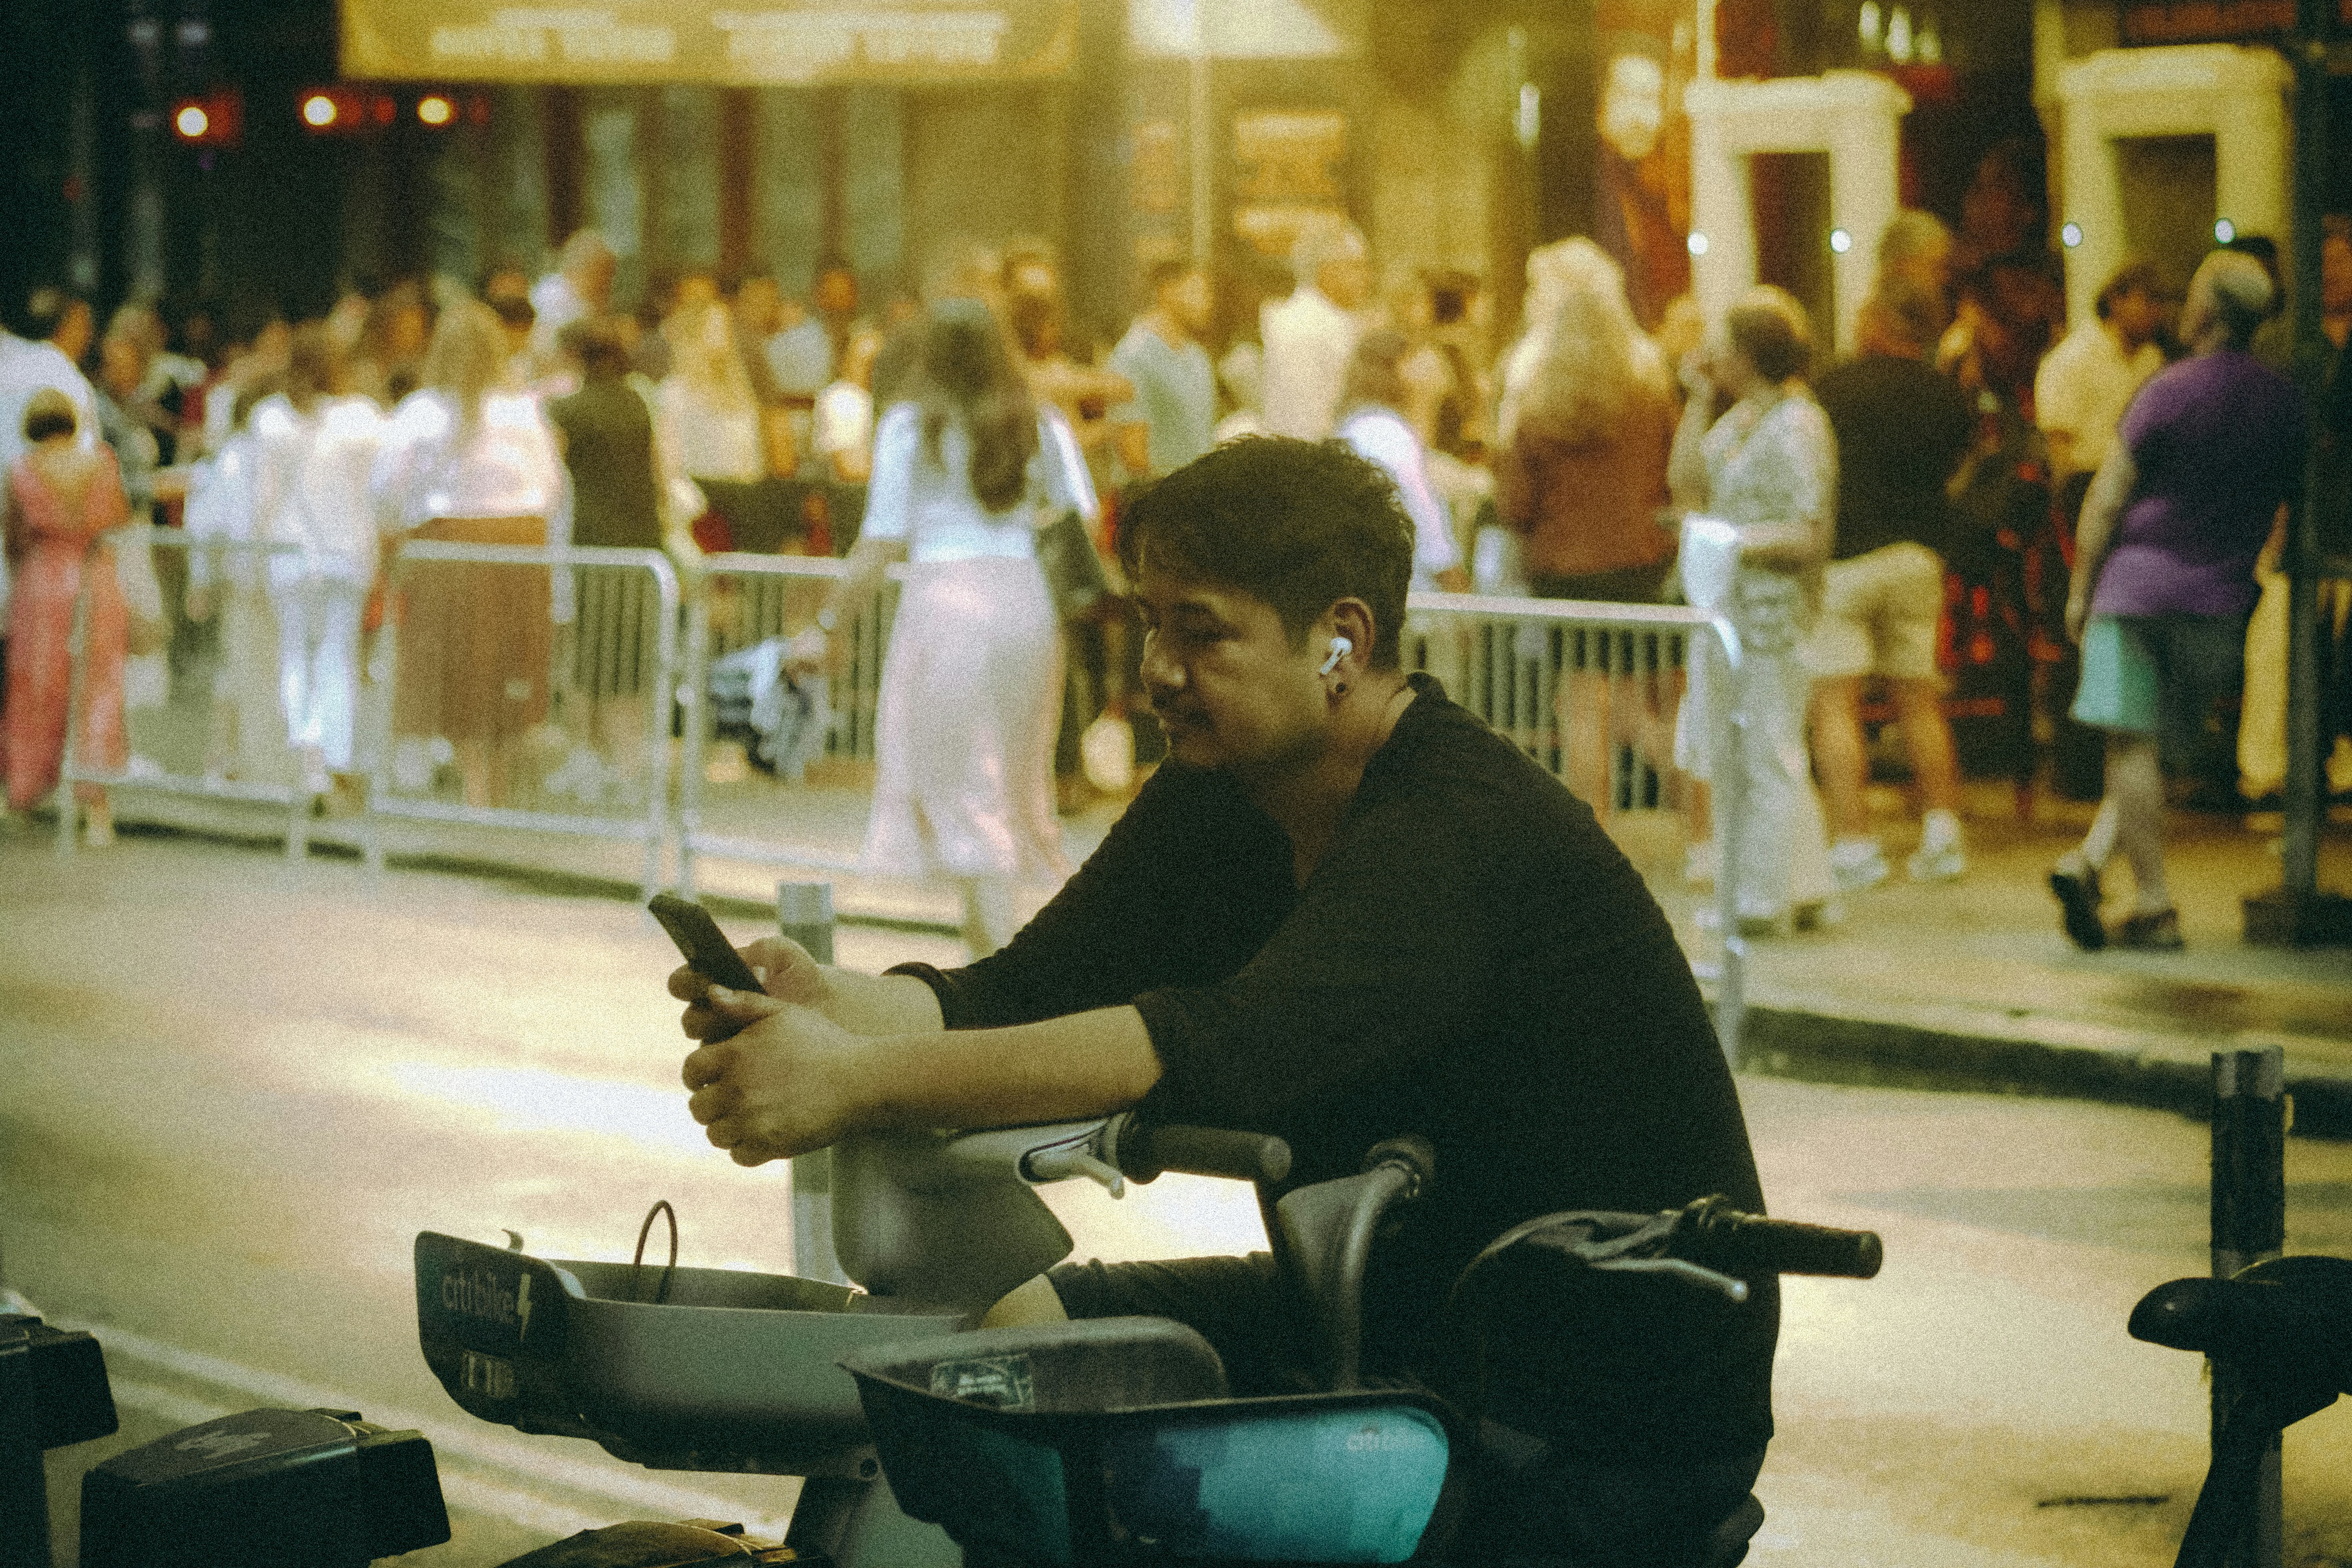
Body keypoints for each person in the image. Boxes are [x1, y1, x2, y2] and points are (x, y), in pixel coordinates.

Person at [671, 435, 1778, 1566]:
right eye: (1151, 624)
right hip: (1391, 1317)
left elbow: (1208, 1049)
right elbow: (1020, 992)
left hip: (1595, 1411)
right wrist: (833, 1005)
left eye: (1202, 631)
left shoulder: (1454, 829)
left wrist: (849, 1084)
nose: (1158, 667)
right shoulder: (1227, 786)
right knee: (997, 1336)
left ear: (1340, 639)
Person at [806, 300, 1094, 955]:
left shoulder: (912, 428)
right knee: (1016, 782)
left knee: (963, 789)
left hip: (944, 602)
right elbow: (1076, 509)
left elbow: (880, 539)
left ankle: (1000, 971)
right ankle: (986, 958)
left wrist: (829, 624)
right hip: (1027, 604)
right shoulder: (1041, 424)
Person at [2050, 252, 2305, 952]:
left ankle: (2156, 906)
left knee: (2130, 747)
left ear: (2208, 312)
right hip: (2219, 601)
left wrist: (2080, 591)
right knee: (2159, 753)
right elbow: (2293, 503)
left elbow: (2106, 499)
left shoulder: (2166, 390)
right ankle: (2088, 864)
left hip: (2135, 589)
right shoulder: (2284, 402)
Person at [1668, 287, 1840, 933]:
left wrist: (1733, 543)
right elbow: (1686, 481)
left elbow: (1808, 529)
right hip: (1733, 611)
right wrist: (1695, 399)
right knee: (1758, 747)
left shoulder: (1797, 426)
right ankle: (1805, 883)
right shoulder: (1742, 421)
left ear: (1747, 354)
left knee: (1764, 751)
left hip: (1770, 614)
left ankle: (1762, 896)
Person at [1494, 244, 1680, 815]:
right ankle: (1701, 829)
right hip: (1639, 563)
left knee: (1581, 710)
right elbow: (1669, 478)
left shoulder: (1537, 407)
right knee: (1637, 709)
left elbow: (1516, 505)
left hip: (1565, 572)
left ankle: (1594, 833)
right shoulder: (1650, 398)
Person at [1808, 281, 1978, 889]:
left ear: (1878, 321)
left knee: (1835, 702)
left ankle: (1854, 845)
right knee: (1919, 699)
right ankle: (1943, 835)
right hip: (1917, 557)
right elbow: (1958, 469)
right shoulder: (1948, 397)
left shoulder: (1833, 389)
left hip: (1846, 560)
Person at [371, 299, 566, 808]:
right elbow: (549, 485)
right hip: (518, 543)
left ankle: (475, 780)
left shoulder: (422, 411)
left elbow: (386, 484)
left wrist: (405, 521)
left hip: (448, 545)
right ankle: (493, 783)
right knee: (509, 664)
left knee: (455, 667)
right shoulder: (521, 409)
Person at [254, 325, 387, 802]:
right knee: (338, 656)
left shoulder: (270, 419)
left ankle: (304, 759)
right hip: (347, 552)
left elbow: (263, 499)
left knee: (295, 652)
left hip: (290, 553)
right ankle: (335, 759)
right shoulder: (363, 420)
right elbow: (379, 488)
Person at [548, 318, 674, 786]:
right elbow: (659, 475)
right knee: (628, 657)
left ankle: (589, 755)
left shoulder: (566, 410)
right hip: (642, 543)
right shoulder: (639, 403)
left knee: (589, 656)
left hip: (592, 542)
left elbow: (548, 479)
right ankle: (627, 763)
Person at [3, 390, 131, 842]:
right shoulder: (102, 461)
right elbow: (117, 516)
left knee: (37, 686)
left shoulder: (21, 471)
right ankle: (96, 808)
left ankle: (26, 790)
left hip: (41, 585)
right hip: (94, 578)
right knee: (97, 690)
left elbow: (15, 537)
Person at [1333, 330, 1467, 592]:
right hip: (1410, 598)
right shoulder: (1389, 435)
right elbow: (1427, 527)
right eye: (1416, 357)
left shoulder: (1358, 426)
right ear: (1396, 369)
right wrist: (1457, 588)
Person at [2037, 261, 2167, 507]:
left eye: (2159, 303)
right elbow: (2060, 449)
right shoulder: (2074, 358)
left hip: (2142, 487)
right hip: (2087, 488)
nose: (2156, 313)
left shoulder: (2152, 360)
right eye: (2148, 302)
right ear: (2116, 302)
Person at [1260, 218, 1372, 440]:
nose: (1367, 277)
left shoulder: (1322, 317)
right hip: (1310, 455)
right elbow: (1304, 417)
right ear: (1327, 270)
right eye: (1357, 267)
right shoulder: (1311, 323)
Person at [1107, 260, 1218, 484]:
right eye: (1200, 292)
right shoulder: (1133, 357)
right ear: (1169, 293)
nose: (1209, 302)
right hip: (1154, 501)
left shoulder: (1198, 357)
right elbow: (1134, 456)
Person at [528, 230, 618, 375]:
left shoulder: (589, 301)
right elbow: (545, 351)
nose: (607, 284)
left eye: (609, 276)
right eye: (602, 274)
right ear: (577, 270)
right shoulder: (552, 294)